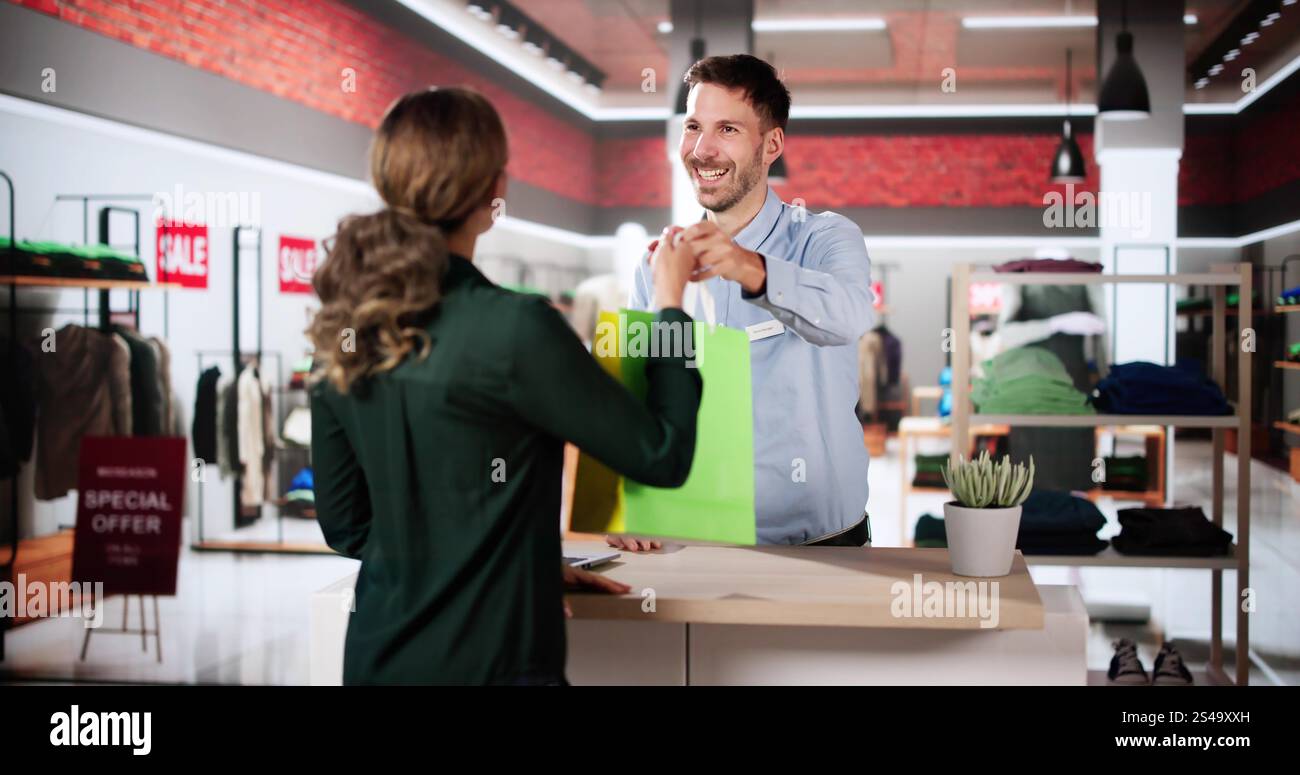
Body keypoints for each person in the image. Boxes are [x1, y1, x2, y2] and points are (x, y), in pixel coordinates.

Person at [308, 87, 703, 685]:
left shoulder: (346, 328)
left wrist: (525, 561)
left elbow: (348, 526)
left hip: (377, 659)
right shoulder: (517, 328)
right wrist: (671, 306)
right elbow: (661, 453)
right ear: (495, 188)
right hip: (495, 664)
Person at [610, 54, 875, 550]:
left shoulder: (824, 238)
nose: (702, 150)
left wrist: (746, 267)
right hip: (694, 535)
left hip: (821, 545)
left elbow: (848, 315)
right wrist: (633, 505)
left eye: (727, 129)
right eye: (693, 127)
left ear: (771, 143)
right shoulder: (660, 265)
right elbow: (642, 400)